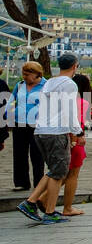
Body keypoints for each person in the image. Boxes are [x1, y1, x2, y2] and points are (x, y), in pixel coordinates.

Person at [18, 54, 83, 225]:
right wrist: (78, 132)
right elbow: (70, 110)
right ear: (75, 66)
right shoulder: (69, 84)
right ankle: (50, 211)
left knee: (53, 169)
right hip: (57, 131)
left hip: (41, 130)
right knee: (59, 172)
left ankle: (31, 201)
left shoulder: (50, 82)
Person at [59, 73, 92, 216]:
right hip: (76, 139)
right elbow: (77, 123)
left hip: (62, 137)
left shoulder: (64, 99)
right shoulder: (83, 103)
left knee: (59, 173)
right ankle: (67, 207)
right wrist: (76, 138)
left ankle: (42, 197)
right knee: (72, 174)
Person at [10, 61, 45, 192]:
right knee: (19, 153)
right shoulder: (19, 86)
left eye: (27, 74)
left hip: (37, 124)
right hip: (19, 123)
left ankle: (39, 183)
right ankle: (21, 182)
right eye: (23, 74)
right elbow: (11, 101)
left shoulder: (46, 86)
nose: (24, 77)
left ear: (37, 74)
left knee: (37, 154)